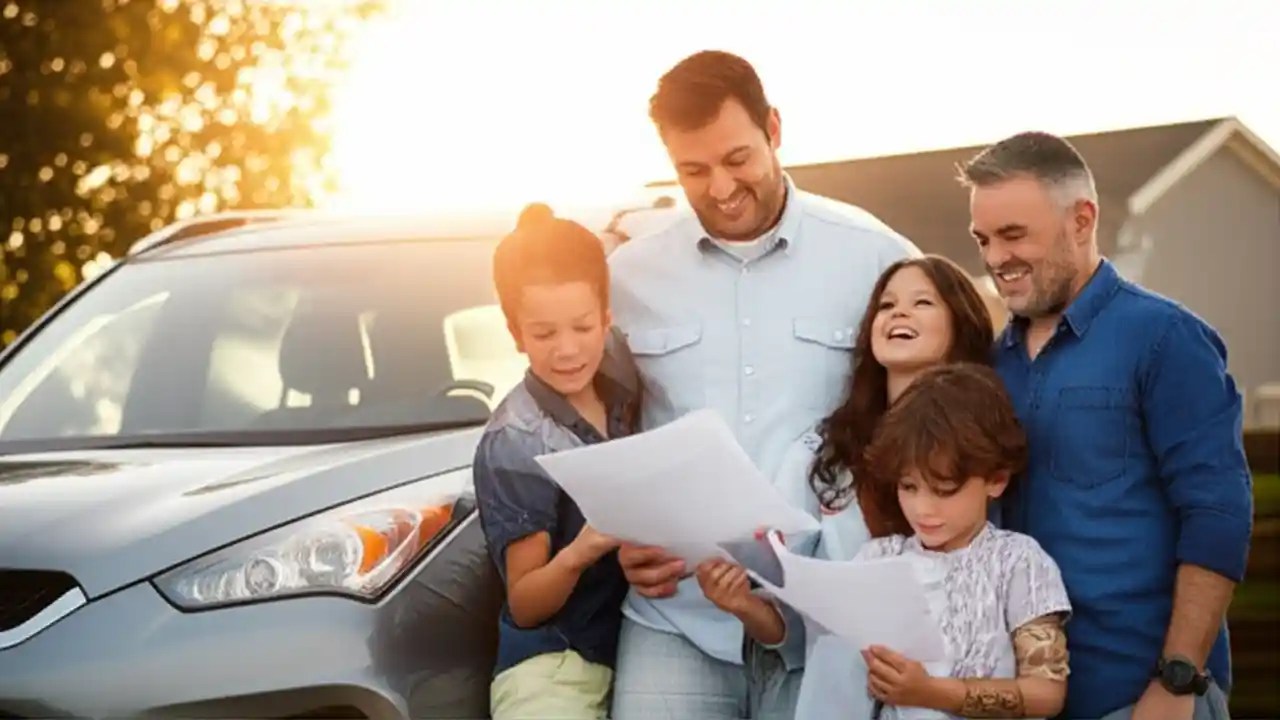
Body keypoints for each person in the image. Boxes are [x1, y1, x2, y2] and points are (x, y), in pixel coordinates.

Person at [605, 49, 920, 719]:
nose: (719, 188)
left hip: (826, 613)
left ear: (774, 129)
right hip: (677, 615)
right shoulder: (627, 277)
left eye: (737, 158)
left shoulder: (878, 258)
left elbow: (932, 416)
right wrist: (617, 540)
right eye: (693, 170)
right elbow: (595, 425)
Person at [957, 131, 1253, 720]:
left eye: (1014, 235)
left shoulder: (1165, 339)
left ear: (1082, 219)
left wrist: (1179, 678)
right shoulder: (990, 365)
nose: (994, 259)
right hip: (1027, 699)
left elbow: (1217, 511)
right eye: (983, 240)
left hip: (1141, 695)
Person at [790, 254, 997, 720]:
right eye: (886, 305)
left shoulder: (990, 442)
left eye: (922, 302)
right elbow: (783, 580)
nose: (898, 313)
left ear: (959, 326)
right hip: (838, 695)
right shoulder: (822, 451)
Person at [472, 204, 638, 719]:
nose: (567, 350)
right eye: (544, 335)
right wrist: (583, 549)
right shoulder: (516, 441)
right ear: (515, 332)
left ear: (607, 319)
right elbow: (525, 602)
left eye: (583, 327)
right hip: (552, 676)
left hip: (634, 657)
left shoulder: (626, 394)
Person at [853, 362, 1073, 720]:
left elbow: (1046, 694)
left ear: (996, 480)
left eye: (944, 490)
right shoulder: (877, 559)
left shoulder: (1017, 561)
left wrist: (933, 693)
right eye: (908, 487)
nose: (923, 508)